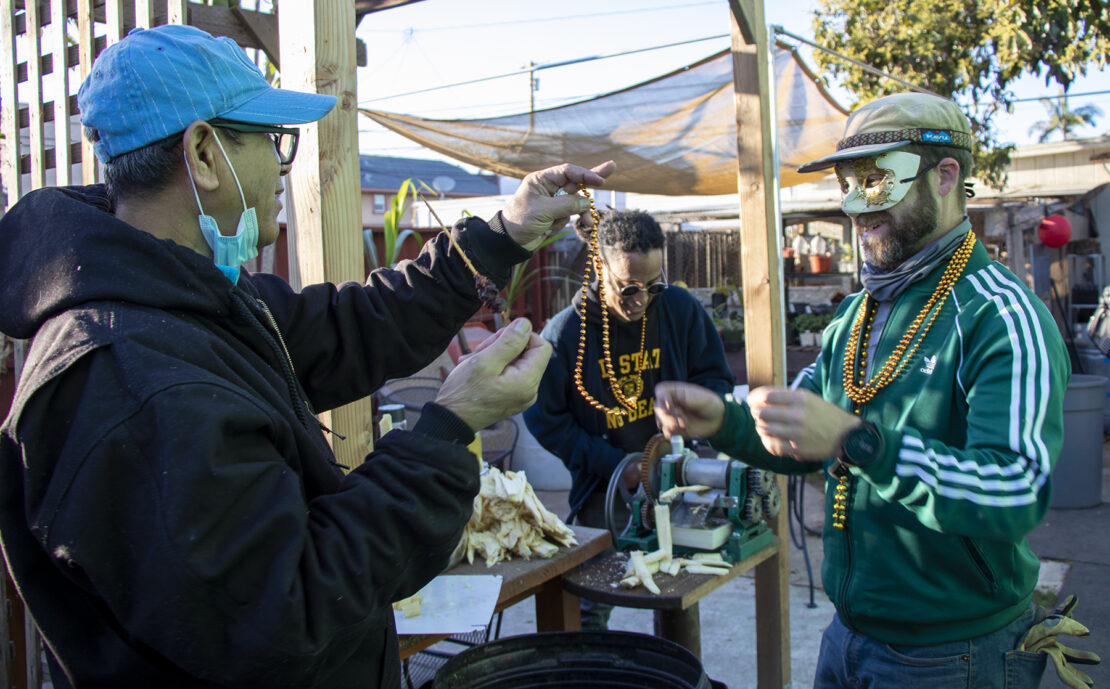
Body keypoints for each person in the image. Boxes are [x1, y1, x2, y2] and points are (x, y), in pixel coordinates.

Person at [0, 24, 614, 689]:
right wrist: (449, 426)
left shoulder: (188, 298)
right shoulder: (130, 383)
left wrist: (502, 234)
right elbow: (288, 611)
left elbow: (352, 326)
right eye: (267, 139)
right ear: (204, 152)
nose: (278, 164)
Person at [654, 92, 1088, 689]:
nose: (855, 207)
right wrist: (722, 421)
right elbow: (803, 434)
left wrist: (862, 443)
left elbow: (1015, 492)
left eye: (877, 180)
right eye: (846, 182)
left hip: (955, 655)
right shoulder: (854, 315)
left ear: (944, 175)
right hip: (848, 636)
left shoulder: (1002, 315)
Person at [523, 209, 733, 628]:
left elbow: (715, 378)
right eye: (629, 287)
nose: (641, 300)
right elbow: (546, 420)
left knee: (677, 590)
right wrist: (614, 464)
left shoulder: (679, 310)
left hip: (675, 480)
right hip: (606, 491)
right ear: (600, 268)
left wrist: (694, 406)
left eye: (654, 285)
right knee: (593, 602)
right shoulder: (566, 333)